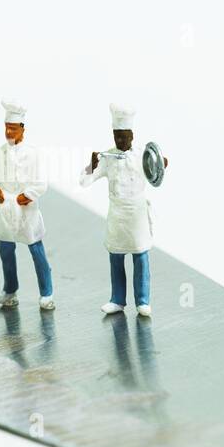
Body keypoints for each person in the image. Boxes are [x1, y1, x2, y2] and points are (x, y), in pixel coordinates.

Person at [80, 103, 166, 317]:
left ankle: (143, 301)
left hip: (136, 215)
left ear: (132, 135)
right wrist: (91, 164)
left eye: (124, 136)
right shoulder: (107, 158)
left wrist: (161, 164)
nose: (120, 141)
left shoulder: (142, 156)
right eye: (117, 136)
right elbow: (84, 181)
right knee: (116, 257)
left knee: (140, 257)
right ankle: (117, 299)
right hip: (117, 216)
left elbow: (155, 172)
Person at [0, 100, 54, 309]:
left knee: (36, 251)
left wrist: (25, 196)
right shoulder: (1, 152)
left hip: (26, 212)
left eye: (13, 128)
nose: (9, 132)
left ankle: (47, 292)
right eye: (6, 128)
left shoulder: (33, 154)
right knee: (5, 251)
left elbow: (41, 183)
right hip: (6, 212)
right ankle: (10, 290)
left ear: (22, 129)